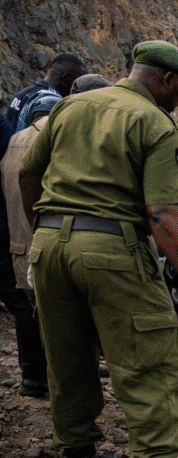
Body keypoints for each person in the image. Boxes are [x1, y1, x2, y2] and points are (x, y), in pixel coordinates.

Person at [19, 40, 178, 458]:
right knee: (148, 360)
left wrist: (42, 239)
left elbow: (28, 175)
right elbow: (163, 214)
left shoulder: (71, 105)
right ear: (165, 80)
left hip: (49, 247)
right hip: (111, 250)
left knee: (66, 359)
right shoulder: (156, 124)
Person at [1, 75, 113, 399]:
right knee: (70, 320)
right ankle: (68, 379)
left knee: (31, 313)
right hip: (58, 239)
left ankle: (34, 376)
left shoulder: (12, 141)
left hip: (21, 243)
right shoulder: (67, 135)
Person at [6, 54, 87, 131]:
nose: (78, 89)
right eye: (78, 82)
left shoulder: (23, 93)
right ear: (67, 78)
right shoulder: (52, 102)